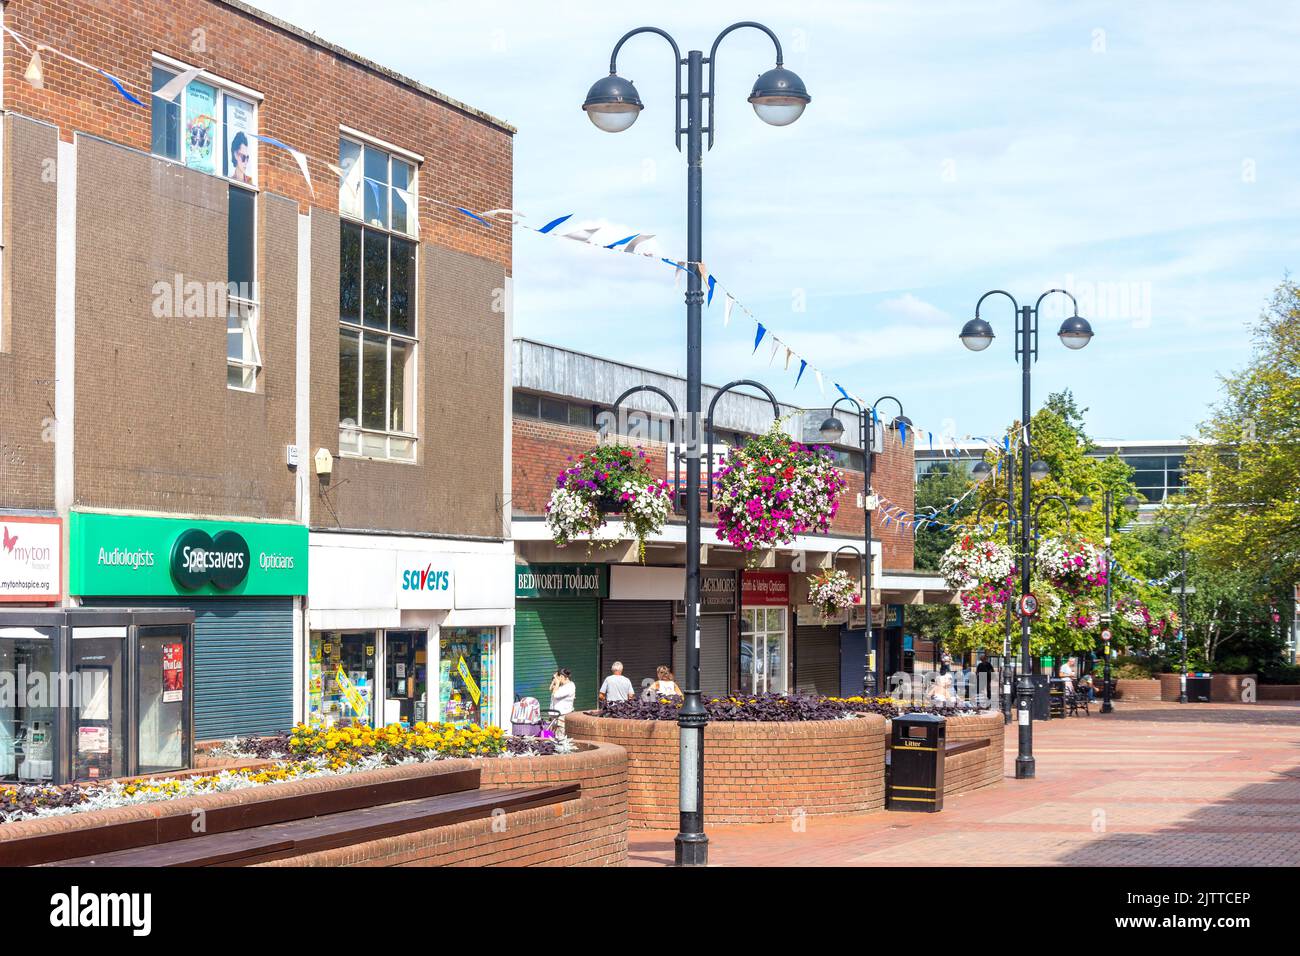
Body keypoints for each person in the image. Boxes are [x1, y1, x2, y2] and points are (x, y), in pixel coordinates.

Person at [549, 668, 575, 735]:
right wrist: (554, 681)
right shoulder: (562, 686)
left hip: (562, 716)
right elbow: (550, 689)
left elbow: (555, 695)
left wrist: (557, 683)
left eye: (558, 677)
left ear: (562, 676)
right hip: (554, 717)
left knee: (559, 737)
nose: (557, 679)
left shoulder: (570, 686)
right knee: (550, 736)